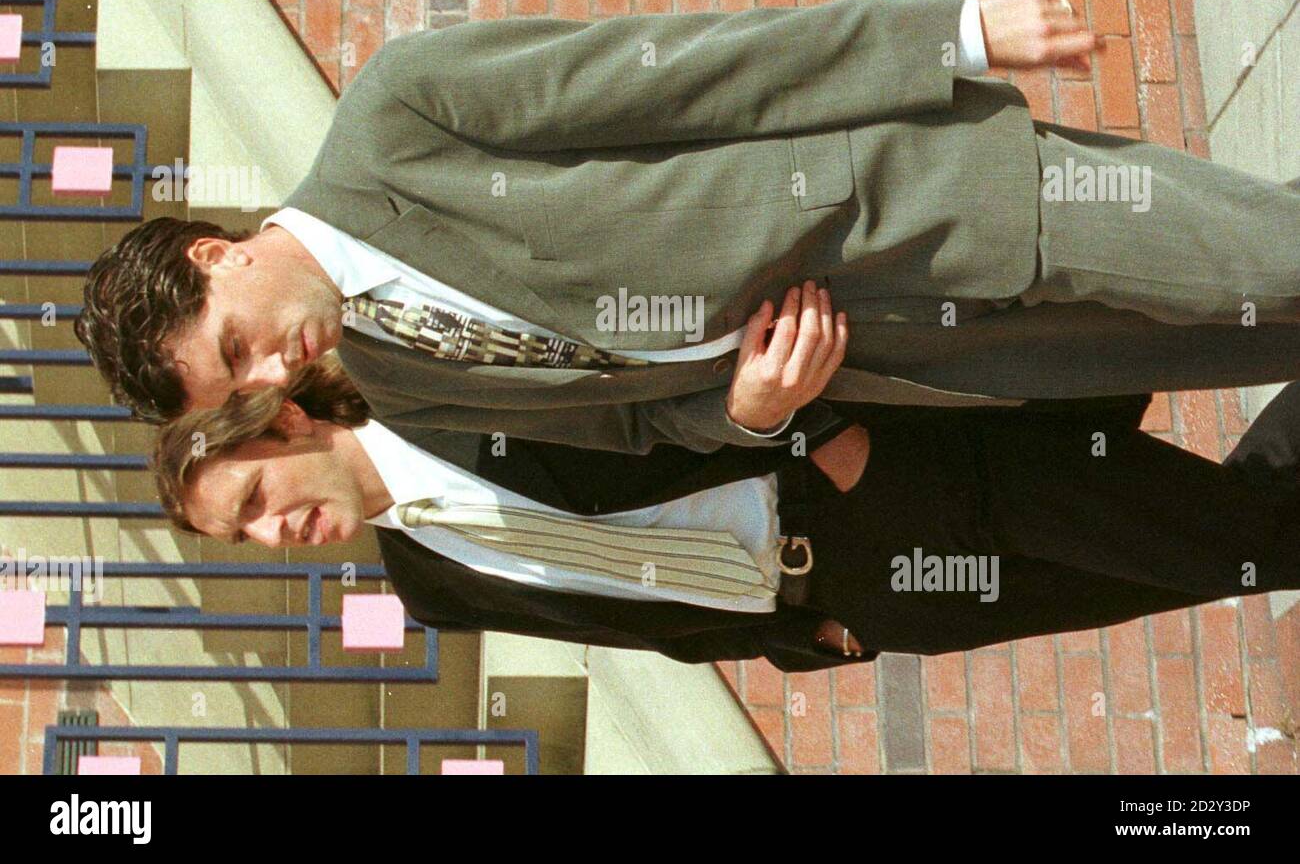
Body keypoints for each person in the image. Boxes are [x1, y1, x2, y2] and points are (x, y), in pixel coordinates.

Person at [79, 0, 1300, 452]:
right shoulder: (404, 389)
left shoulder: (399, 114)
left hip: (917, 199)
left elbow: (687, 70)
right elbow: (639, 429)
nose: (268, 372)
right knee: (1262, 330)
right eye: (235, 391)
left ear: (216, 255)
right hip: (924, 353)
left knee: (1272, 256)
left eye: (234, 345)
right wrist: (742, 412)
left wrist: (952, 33)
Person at [150, 356, 1300, 668]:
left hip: (876, 478)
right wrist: (812, 641)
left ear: (286, 425)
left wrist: (825, 443)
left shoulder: (447, 394)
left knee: (1245, 541)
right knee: (1219, 555)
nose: (272, 532)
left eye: (253, 499)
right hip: (867, 594)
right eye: (243, 538)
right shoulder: (430, 587)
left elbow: (651, 376)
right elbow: (639, 619)